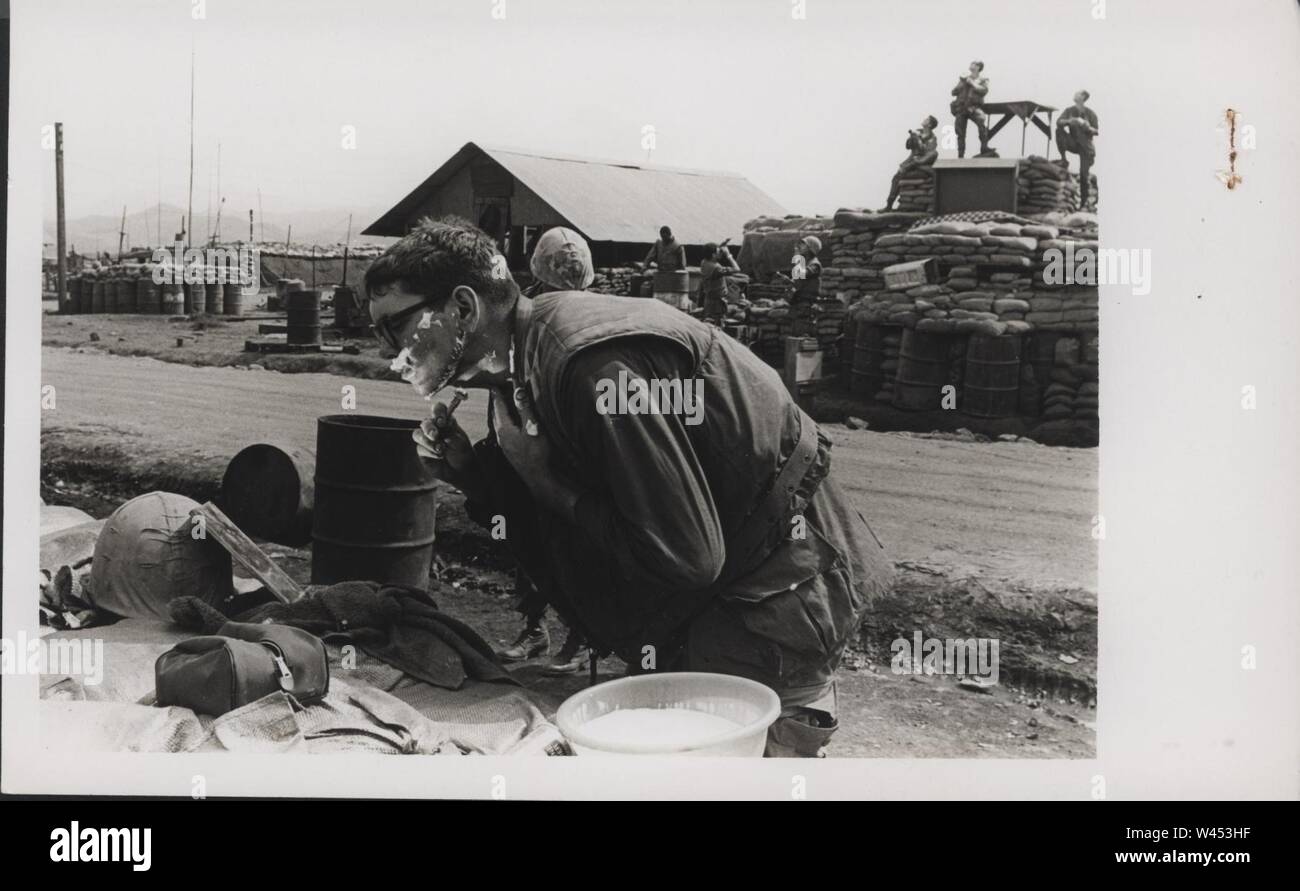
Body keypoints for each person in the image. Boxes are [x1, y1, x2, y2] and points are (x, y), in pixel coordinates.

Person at [365, 217, 894, 756]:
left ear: (462, 308)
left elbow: (688, 555)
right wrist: (472, 474)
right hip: (721, 607)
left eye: (395, 327)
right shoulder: (518, 366)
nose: (392, 352)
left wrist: (547, 483)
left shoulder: (589, 364)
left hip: (771, 605)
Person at [501, 226, 593, 674]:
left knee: (576, 549)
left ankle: (583, 637)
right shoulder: (525, 311)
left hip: (571, 447)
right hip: (527, 438)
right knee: (529, 540)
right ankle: (535, 627)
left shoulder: (593, 313)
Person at [883, 115, 939, 211]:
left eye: (926, 120)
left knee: (934, 154)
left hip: (922, 162)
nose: (924, 120)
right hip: (912, 161)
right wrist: (913, 139)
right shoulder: (917, 132)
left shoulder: (932, 138)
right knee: (896, 178)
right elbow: (908, 146)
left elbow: (927, 152)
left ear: (929, 125)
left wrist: (920, 141)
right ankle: (889, 204)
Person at [1055, 90, 1098, 207]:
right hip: (1073, 143)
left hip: (1086, 148)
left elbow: (1097, 131)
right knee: (1059, 132)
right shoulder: (1069, 111)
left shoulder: (1090, 113)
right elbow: (1058, 122)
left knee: (1083, 175)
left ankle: (1084, 202)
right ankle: (1063, 158)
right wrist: (1071, 121)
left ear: (1083, 97)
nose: (1075, 94)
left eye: (1078, 93)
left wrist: (1086, 126)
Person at [950, 60, 990, 158]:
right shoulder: (963, 79)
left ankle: (984, 148)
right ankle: (960, 154)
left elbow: (984, 90)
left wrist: (971, 82)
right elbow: (953, 92)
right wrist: (962, 84)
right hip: (961, 108)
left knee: (981, 123)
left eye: (973, 64)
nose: (971, 65)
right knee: (960, 132)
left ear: (978, 67)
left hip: (973, 107)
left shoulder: (983, 79)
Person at [698, 241, 740, 323]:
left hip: (708, 301)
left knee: (708, 323)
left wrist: (720, 247)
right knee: (717, 324)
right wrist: (728, 255)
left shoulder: (704, 262)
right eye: (718, 252)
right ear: (713, 255)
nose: (720, 254)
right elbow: (737, 269)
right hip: (717, 304)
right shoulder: (716, 268)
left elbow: (711, 252)